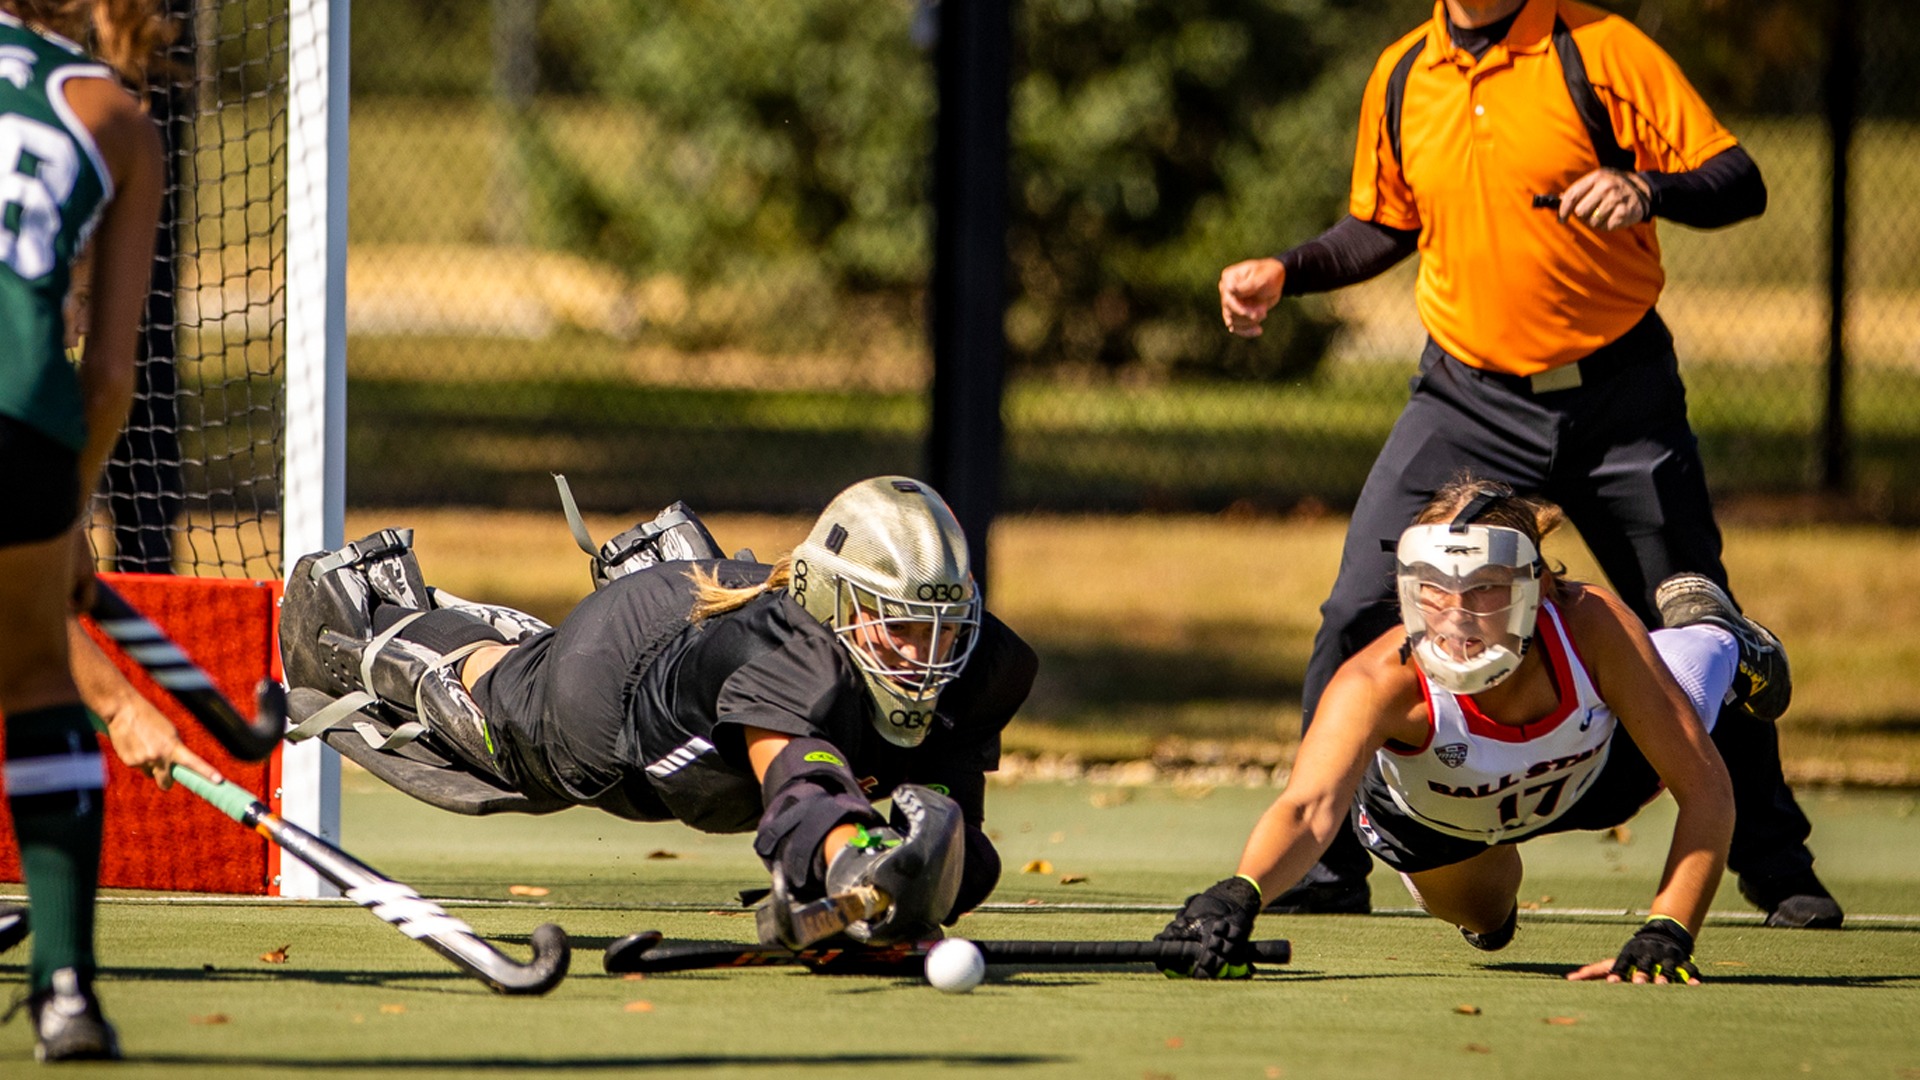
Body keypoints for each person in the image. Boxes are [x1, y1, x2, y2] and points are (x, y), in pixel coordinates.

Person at [1215, 0, 1837, 926]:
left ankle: (1776, 864)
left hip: (1620, 392)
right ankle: (1326, 865)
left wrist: (1647, 190)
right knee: (1357, 609)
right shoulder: (1401, 74)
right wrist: (1289, 269)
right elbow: (1384, 224)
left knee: (1694, 611)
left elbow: (1738, 178)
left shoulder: (1602, 49)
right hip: (1468, 397)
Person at [279, 477, 1037, 945]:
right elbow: (804, 802)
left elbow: (948, 827)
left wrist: (929, 871)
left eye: (942, 627)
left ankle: (664, 564)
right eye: (897, 625)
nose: (922, 654)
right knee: (506, 718)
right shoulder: (785, 657)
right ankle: (361, 615)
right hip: (608, 697)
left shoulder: (976, 667)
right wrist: (853, 860)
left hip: (701, 605)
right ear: (829, 602)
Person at [1156, 479, 1800, 984]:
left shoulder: (1589, 624)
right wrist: (1237, 895)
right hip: (1444, 815)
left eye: (1486, 588)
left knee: (1686, 687)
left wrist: (1669, 932)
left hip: (1598, 770)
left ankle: (1720, 634)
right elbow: (1307, 806)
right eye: (1433, 588)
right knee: (1486, 921)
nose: (1456, 614)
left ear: (1539, 586)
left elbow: (1707, 789)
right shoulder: (1378, 681)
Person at [0, 0, 175, 1060]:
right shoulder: (115, 117)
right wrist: (69, 508)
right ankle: (65, 990)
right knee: (31, 682)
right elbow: (109, 374)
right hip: (20, 409)